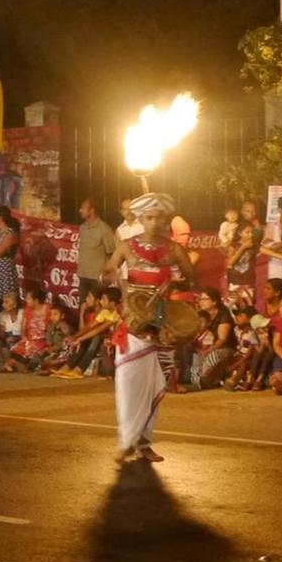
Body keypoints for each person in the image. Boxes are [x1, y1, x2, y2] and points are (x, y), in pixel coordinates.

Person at [103, 192, 196, 463]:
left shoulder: (173, 250)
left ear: (166, 220)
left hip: (160, 325)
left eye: (159, 218)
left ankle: (143, 444)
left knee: (156, 385)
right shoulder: (126, 246)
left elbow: (192, 278)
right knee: (128, 385)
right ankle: (126, 441)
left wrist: (175, 283)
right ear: (140, 218)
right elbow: (108, 269)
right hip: (132, 326)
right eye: (149, 217)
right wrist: (114, 280)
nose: (154, 222)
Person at [76, 200, 116, 307]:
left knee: (98, 309)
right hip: (83, 275)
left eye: (83, 208)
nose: (80, 210)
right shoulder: (82, 228)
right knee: (83, 307)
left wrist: (107, 274)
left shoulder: (104, 229)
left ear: (92, 210)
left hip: (97, 278)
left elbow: (112, 254)